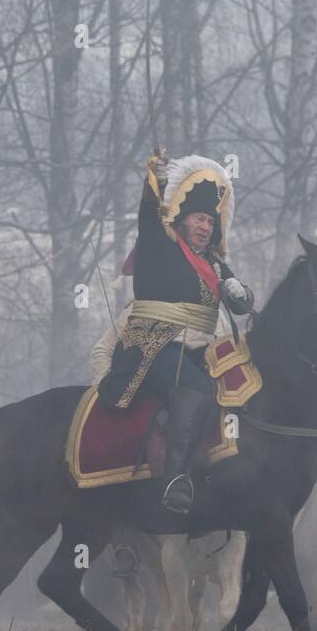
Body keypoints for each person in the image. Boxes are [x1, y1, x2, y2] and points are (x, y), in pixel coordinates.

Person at [98, 153, 254, 514]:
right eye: (199, 219)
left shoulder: (213, 261)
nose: (205, 227)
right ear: (181, 218)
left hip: (199, 350)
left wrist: (239, 292)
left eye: (211, 223)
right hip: (154, 347)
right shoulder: (160, 244)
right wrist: (157, 180)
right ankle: (175, 479)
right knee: (197, 388)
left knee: (237, 385)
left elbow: (243, 306)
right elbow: (148, 216)